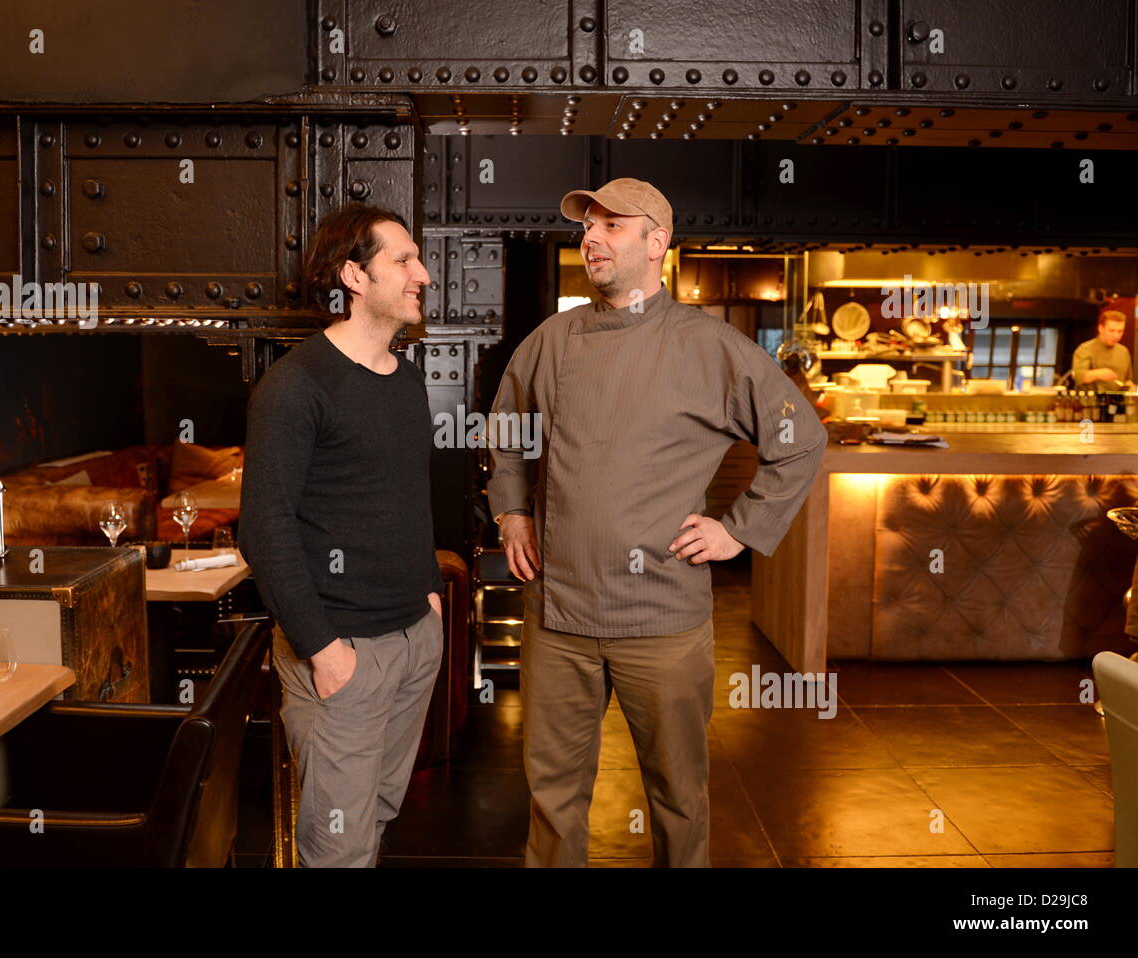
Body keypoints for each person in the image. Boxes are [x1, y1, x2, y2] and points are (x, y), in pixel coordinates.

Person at [487, 178, 827, 867]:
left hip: (663, 622)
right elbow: (507, 429)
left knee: (678, 798)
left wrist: (739, 529)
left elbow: (801, 438)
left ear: (658, 243)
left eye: (614, 225)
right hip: (558, 621)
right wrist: (512, 510)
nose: (593, 236)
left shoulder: (711, 346)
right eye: (589, 225)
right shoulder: (551, 341)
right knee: (552, 800)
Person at [240, 202, 444, 868]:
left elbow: (405, 498)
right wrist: (321, 647)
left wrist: (428, 600)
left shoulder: (407, 381)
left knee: (376, 819)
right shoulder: (295, 386)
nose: (424, 274)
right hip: (341, 650)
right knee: (338, 849)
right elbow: (264, 529)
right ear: (354, 276)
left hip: (415, 639)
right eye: (404, 260)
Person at [1072, 309, 1133, 392]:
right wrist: (1098, 374)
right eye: (1112, 330)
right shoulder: (1085, 349)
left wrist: (1133, 390)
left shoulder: (1123, 351)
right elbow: (1078, 377)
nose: (1116, 335)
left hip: (1119, 401)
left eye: (1120, 331)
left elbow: (1127, 381)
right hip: (1091, 402)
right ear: (1100, 328)